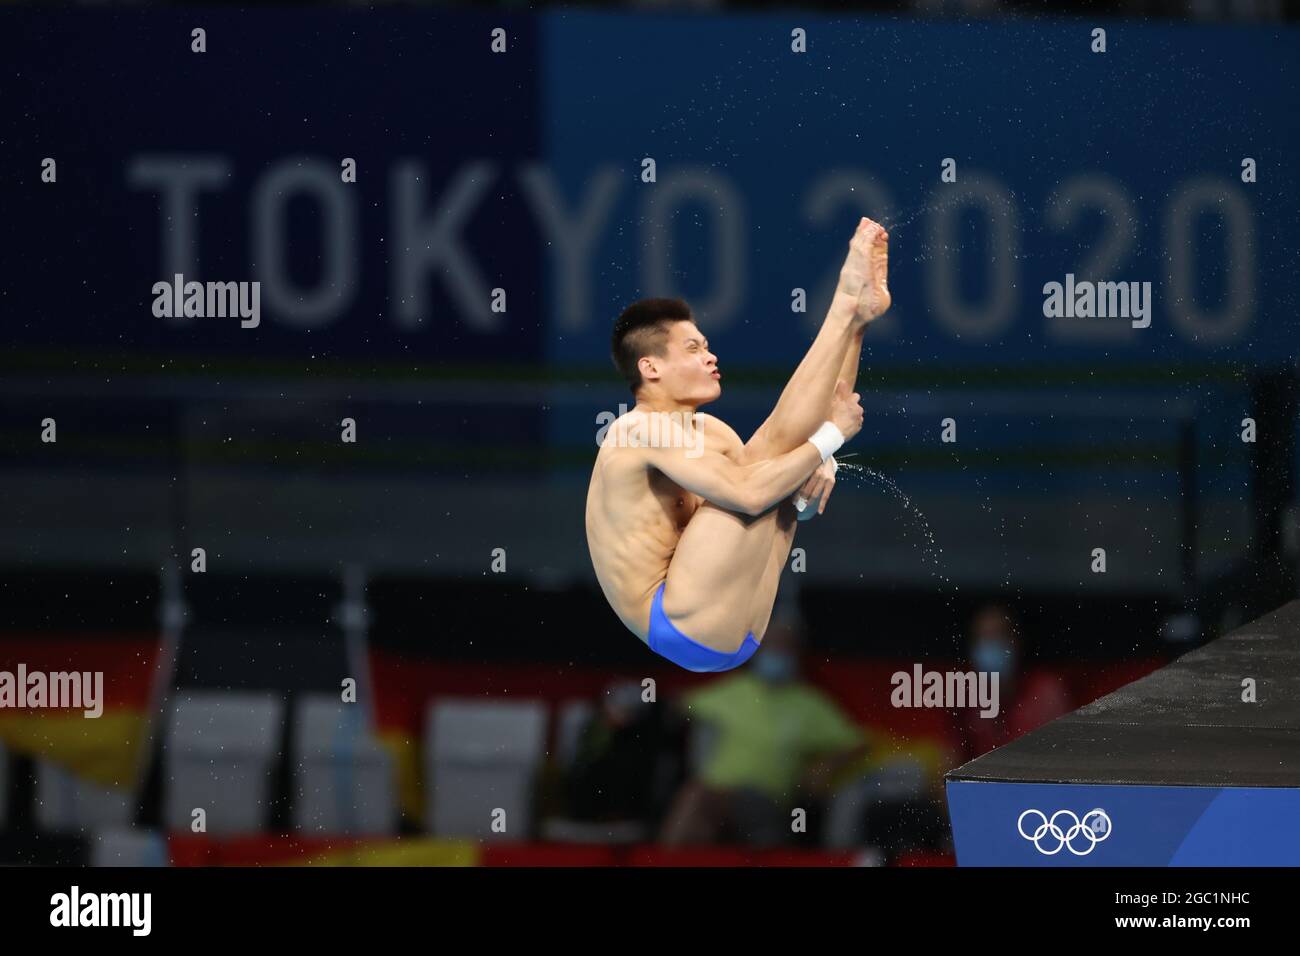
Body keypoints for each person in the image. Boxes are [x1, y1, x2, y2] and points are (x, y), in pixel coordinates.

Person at [585, 218, 890, 672]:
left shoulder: (713, 434)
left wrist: (820, 457)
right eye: (692, 349)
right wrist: (830, 439)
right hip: (677, 620)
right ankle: (845, 307)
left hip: (741, 622)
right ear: (650, 368)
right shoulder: (635, 430)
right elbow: (748, 496)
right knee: (765, 461)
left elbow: (789, 499)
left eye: (706, 346)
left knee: (777, 456)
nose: (710, 356)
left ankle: (855, 322)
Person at [658, 607, 868, 847]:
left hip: (768, 803)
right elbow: (678, 705)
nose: (777, 652)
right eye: (771, 644)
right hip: (712, 795)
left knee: (697, 800)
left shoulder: (810, 704)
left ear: (797, 653)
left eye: (784, 645)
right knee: (698, 812)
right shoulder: (734, 689)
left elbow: (857, 743)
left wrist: (826, 765)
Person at [959, 604, 1072, 758]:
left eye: (997, 636)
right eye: (983, 638)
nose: (990, 646)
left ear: (1014, 641)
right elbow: (951, 764)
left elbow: (1062, 758)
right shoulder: (966, 700)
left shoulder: (1046, 693)